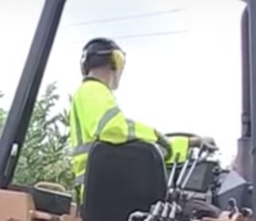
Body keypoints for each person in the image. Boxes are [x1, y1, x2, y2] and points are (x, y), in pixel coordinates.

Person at [67, 37, 206, 196]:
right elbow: (113, 128)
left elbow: (142, 149)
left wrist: (189, 144)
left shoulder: (90, 95)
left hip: (100, 190)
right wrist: (156, 136)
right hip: (105, 191)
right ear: (116, 60)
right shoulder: (92, 89)